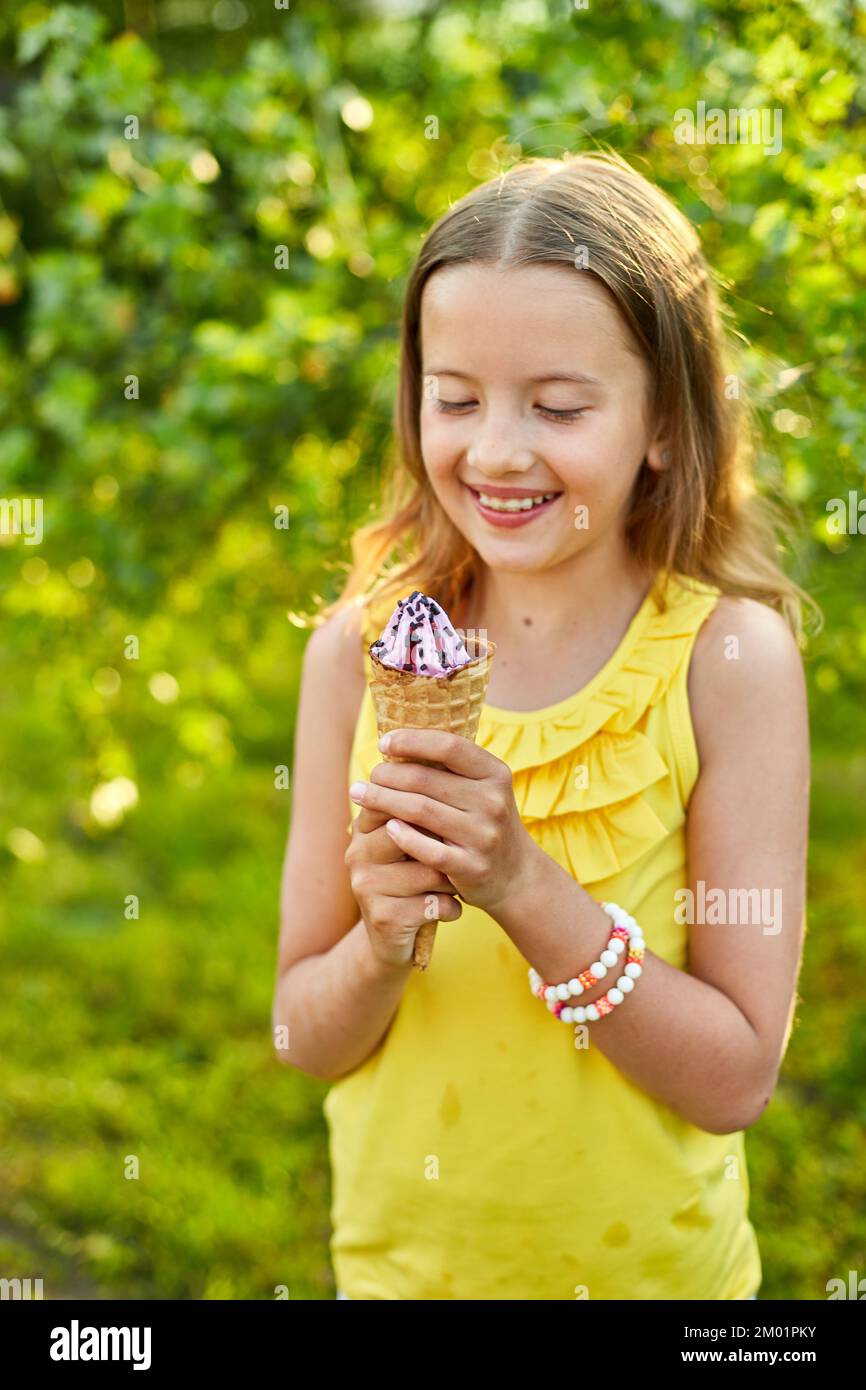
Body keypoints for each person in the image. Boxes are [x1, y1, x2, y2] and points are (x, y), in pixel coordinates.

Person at [272, 151, 817, 1300]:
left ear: (663, 423)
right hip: (401, 1278)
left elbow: (732, 1081)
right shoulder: (353, 658)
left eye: (558, 406)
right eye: (455, 398)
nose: (498, 451)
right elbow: (301, 1035)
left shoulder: (727, 665)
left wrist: (523, 885)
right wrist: (377, 942)